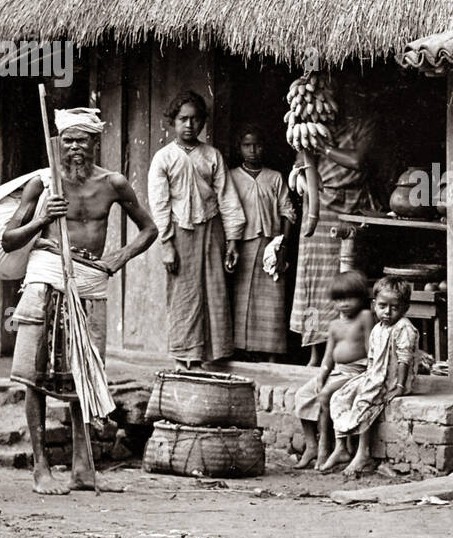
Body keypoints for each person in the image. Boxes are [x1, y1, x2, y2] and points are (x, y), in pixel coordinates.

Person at [3, 107, 157, 495]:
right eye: (68, 140)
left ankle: (83, 467)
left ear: (95, 143)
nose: (74, 148)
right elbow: (8, 239)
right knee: (34, 377)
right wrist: (42, 220)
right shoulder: (42, 184)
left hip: (89, 284)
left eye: (82, 140)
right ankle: (41, 469)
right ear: (58, 142)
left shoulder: (114, 183)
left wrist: (116, 259)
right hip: (47, 278)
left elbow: (149, 229)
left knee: (84, 375)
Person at [149, 91, 246, 369]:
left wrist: (233, 241)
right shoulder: (164, 158)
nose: (189, 125)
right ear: (173, 122)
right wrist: (167, 243)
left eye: (195, 119)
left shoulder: (211, 155)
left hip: (212, 229)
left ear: (203, 122)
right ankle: (183, 356)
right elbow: (159, 202)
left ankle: (209, 358)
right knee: (184, 292)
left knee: (213, 291)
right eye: (183, 119)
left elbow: (227, 198)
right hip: (180, 233)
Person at [289, 81, 377, 366]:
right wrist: (301, 177)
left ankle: (344, 352)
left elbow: (357, 160)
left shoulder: (365, 125)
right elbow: (300, 162)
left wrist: (324, 149)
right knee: (313, 283)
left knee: (342, 278)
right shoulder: (313, 125)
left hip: (348, 208)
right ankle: (316, 354)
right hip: (318, 205)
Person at [325, 276, 418, 478]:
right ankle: (341, 447)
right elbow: (373, 358)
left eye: (394, 307)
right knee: (341, 395)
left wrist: (400, 386)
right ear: (374, 305)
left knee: (365, 400)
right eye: (383, 306)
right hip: (375, 375)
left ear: (405, 308)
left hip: (393, 380)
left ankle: (363, 453)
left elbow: (404, 359)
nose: (388, 311)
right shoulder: (378, 328)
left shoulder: (404, 328)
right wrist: (364, 378)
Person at [229, 125, 296, 361]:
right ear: (240, 148)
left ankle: (272, 356)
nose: (253, 150)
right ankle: (243, 353)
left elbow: (287, 212)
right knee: (241, 300)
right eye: (247, 145)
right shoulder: (232, 177)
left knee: (272, 303)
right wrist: (231, 244)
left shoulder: (275, 177)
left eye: (257, 145)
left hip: (272, 246)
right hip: (242, 245)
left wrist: (283, 246)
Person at [294, 270, 374, 469]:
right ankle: (311, 445)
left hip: (357, 372)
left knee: (326, 394)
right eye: (339, 299)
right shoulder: (334, 324)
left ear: (361, 297)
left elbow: (371, 348)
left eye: (350, 298)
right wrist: (322, 374)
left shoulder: (365, 317)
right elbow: (328, 355)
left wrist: (370, 374)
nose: (344, 304)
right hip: (337, 371)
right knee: (303, 394)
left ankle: (324, 447)